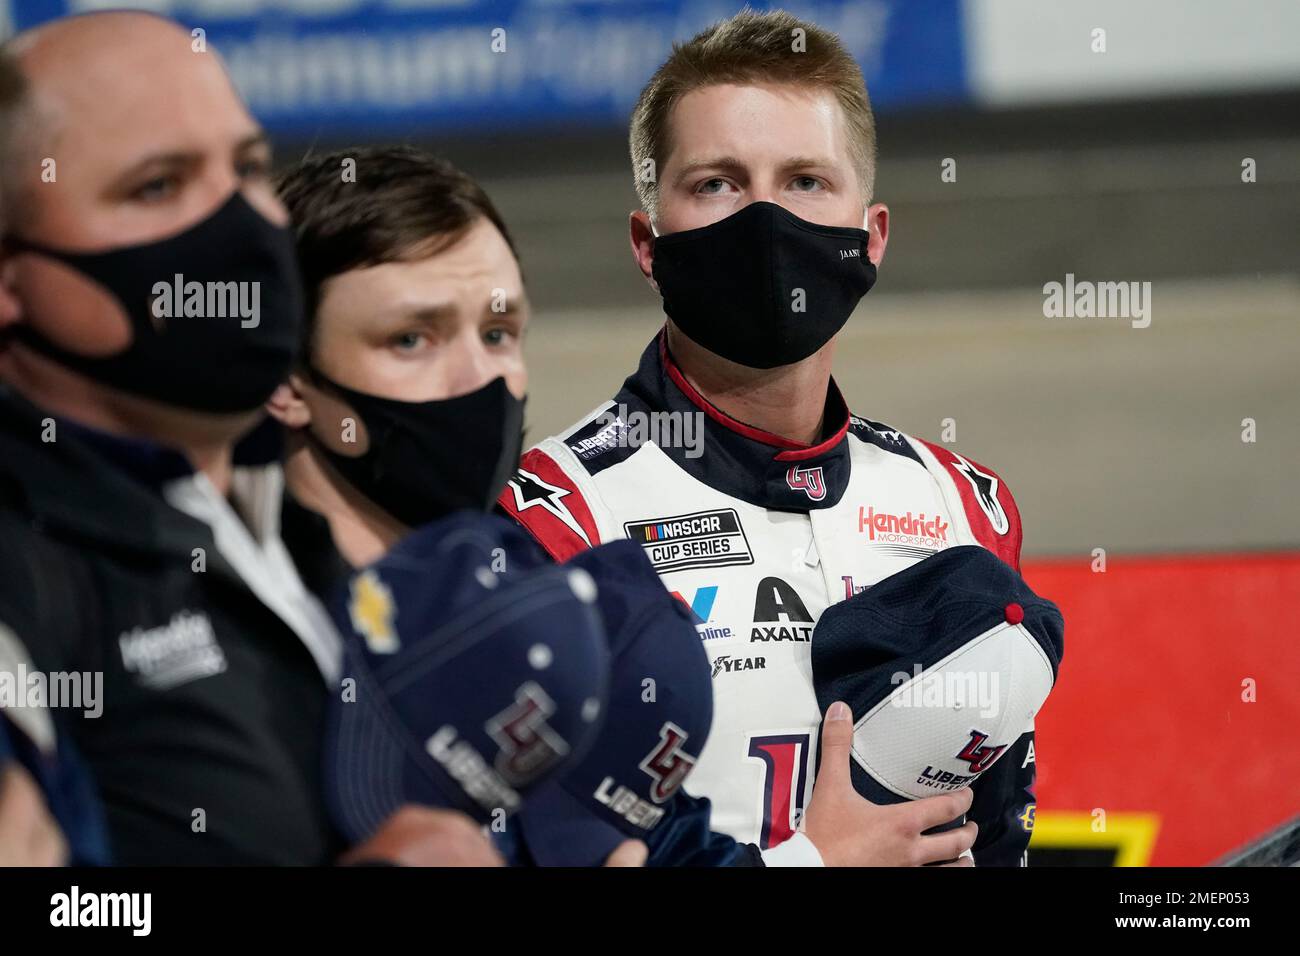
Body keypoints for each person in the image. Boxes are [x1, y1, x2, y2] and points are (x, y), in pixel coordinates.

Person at [498, 9, 1032, 866]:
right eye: (716, 184)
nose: (764, 222)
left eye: (805, 182)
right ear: (649, 242)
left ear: (872, 237)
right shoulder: (551, 524)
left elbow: (998, 830)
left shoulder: (965, 507)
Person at [0, 11, 498, 866]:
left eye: (248, 167)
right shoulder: (25, 577)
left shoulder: (286, 523)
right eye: (158, 186)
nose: (237, 220)